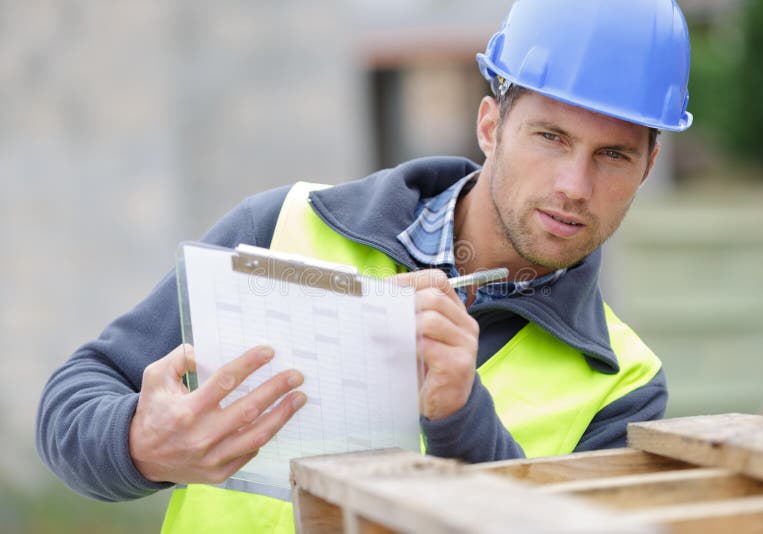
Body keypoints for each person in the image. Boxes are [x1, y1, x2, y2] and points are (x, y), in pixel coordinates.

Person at [36, 0, 692, 531]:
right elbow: (73, 399)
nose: (574, 186)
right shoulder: (281, 228)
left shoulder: (623, 388)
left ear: (648, 167)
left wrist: (462, 419)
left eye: (613, 156)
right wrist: (138, 444)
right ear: (491, 126)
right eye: (550, 137)